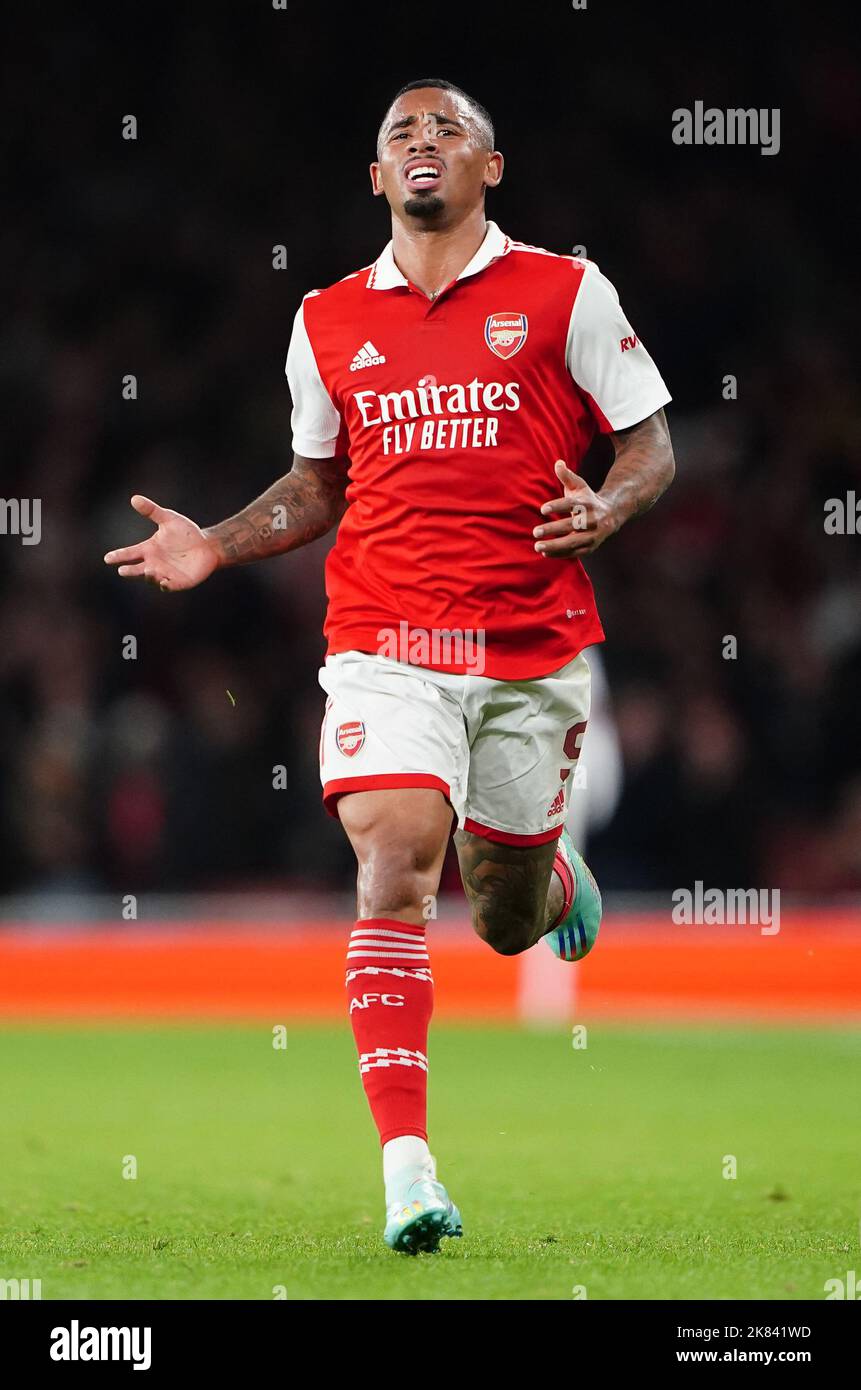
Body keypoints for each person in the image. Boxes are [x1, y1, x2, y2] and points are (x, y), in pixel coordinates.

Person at [105, 78, 675, 1255]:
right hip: (386, 640)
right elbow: (318, 484)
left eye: (447, 128)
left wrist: (609, 507)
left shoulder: (566, 292)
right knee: (396, 863)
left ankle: (547, 881)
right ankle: (408, 1169)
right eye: (401, 133)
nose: (424, 141)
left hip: (529, 649)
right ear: (376, 178)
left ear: (490, 166)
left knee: (502, 916)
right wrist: (216, 542)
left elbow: (651, 445)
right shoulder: (325, 318)